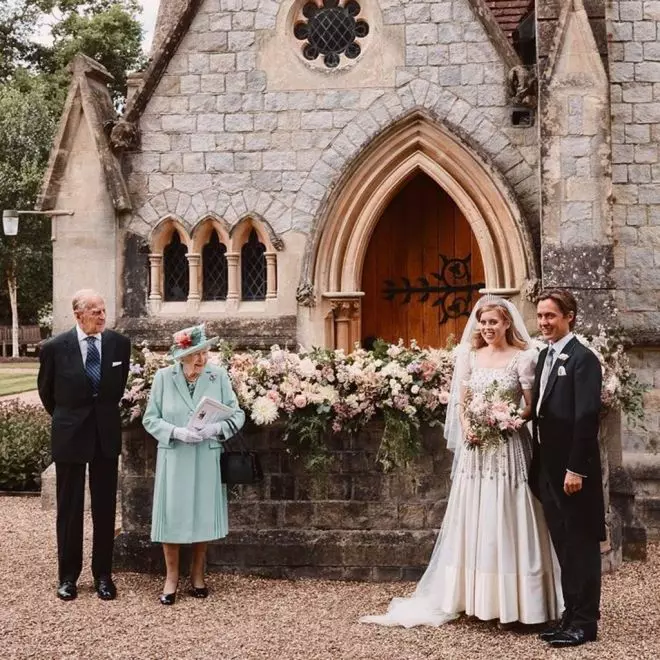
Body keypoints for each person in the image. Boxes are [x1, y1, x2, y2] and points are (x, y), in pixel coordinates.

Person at [360, 296, 562, 628]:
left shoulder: (524, 358)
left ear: (507, 323)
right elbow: (462, 401)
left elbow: (530, 406)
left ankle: (519, 602)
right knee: (476, 513)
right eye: (483, 322)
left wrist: (507, 420)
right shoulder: (470, 355)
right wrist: (470, 427)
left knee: (509, 513)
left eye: (494, 322)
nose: (487, 328)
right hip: (476, 449)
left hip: (508, 447)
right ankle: (474, 597)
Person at [38, 289, 131, 601]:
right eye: (95, 311)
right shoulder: (53, 348)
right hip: (69, 434)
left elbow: (116, 390)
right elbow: (47, 394)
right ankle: (68, 577)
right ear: (78, 315)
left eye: (103, 310)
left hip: (105, 435)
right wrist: (70, 419)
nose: (102, 316)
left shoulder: (120, 344)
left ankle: (103, 575)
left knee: (105, 509)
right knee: (69, 509)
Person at [142, 324, 245, 605]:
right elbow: (150, 419)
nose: (201, 359)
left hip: (205, 453)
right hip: (174, 454)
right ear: (181, 356)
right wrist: (176, 432)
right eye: (195, 354)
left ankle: (197, 574)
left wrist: (215, 430)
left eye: (205, 352)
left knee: (202, 514)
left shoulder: (218, 376)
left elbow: (237, 416)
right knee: (171, 515)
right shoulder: (164, 378)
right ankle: (171, 577)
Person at [530, 289, 604, 648]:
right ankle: (569, 615)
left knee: (581, 547)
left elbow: (587, 418)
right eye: (541, 316)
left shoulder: (583, 359)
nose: (544, 322)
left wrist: (576, 469)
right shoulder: (545, 355)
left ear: (569, 316)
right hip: (548, 470)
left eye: (550, 316)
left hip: (574, 475)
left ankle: (585, 623)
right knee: (563, 547)